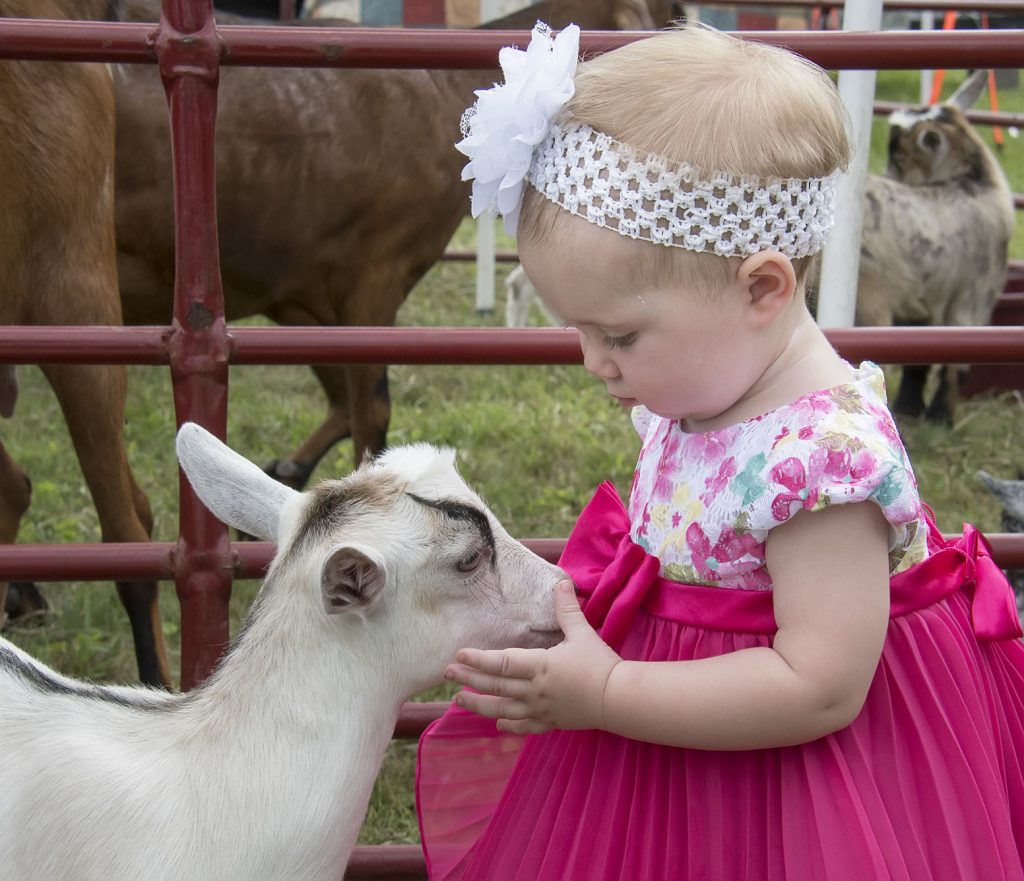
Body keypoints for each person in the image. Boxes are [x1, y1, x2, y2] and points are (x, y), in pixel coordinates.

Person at [416, 22, 1024, 881]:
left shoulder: (823, 467)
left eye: (618, 332)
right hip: (681, 740)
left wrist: (609, 694)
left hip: (797, 790)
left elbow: (820, 685)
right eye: (580, 330)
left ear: (762, 289)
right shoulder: (711, 386)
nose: (592, 361)